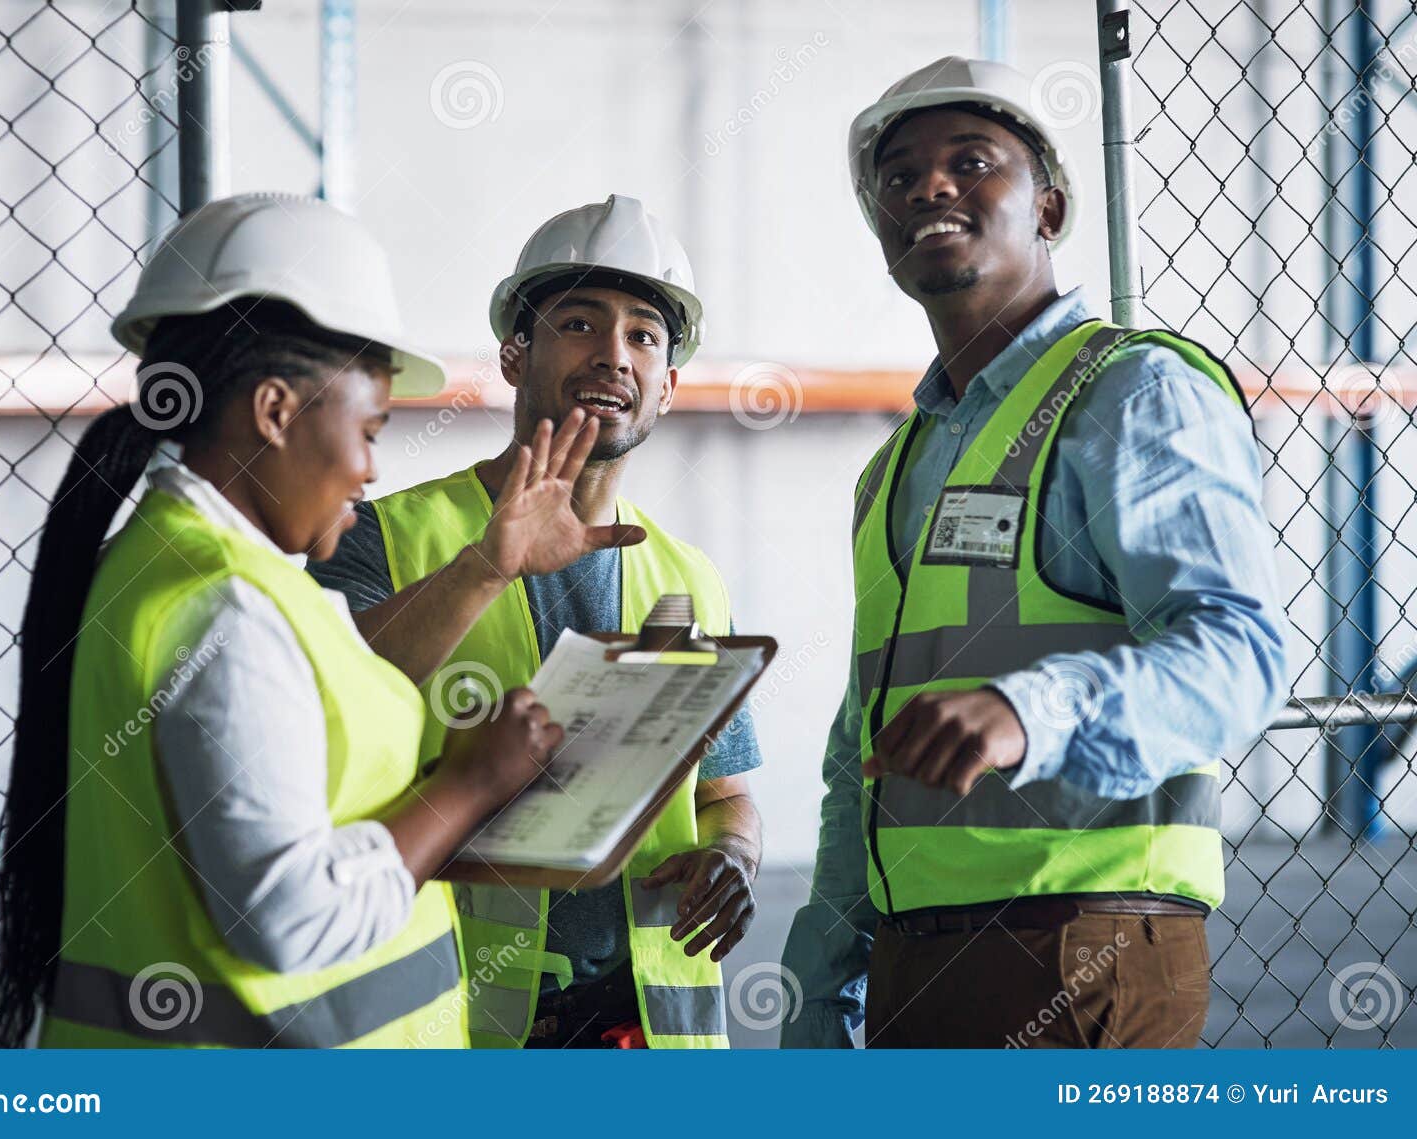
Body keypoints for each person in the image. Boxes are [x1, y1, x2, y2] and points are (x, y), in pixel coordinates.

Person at [0, 192, 630, 1048]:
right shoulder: (226, 607)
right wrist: (469, 784)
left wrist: (487, 566)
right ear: (276, 411)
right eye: (368, 429)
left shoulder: (183, 567)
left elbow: (320, 726)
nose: (369, 470)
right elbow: (293, 918)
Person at [781, 57, 1288, 1049]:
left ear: (1047, 207)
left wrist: (1033, 707)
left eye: (972, 161)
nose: (928, 186)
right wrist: (821, 973)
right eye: (898, 177)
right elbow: (862, 747)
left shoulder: (1131, 393)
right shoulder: (897, 466)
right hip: (911, 958)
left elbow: (1239, 655)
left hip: (1084, 946)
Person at [311, 195, 763, 1049]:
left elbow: (727, 796)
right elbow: (324, 707)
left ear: (669, 385)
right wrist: (485, 566)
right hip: (456, 1027)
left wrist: (733, 856)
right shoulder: (381, 536)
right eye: (580, 323)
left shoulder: (690, 579)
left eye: (644, 336)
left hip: (647, 1035)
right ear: (515, 357)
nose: (613, 354)